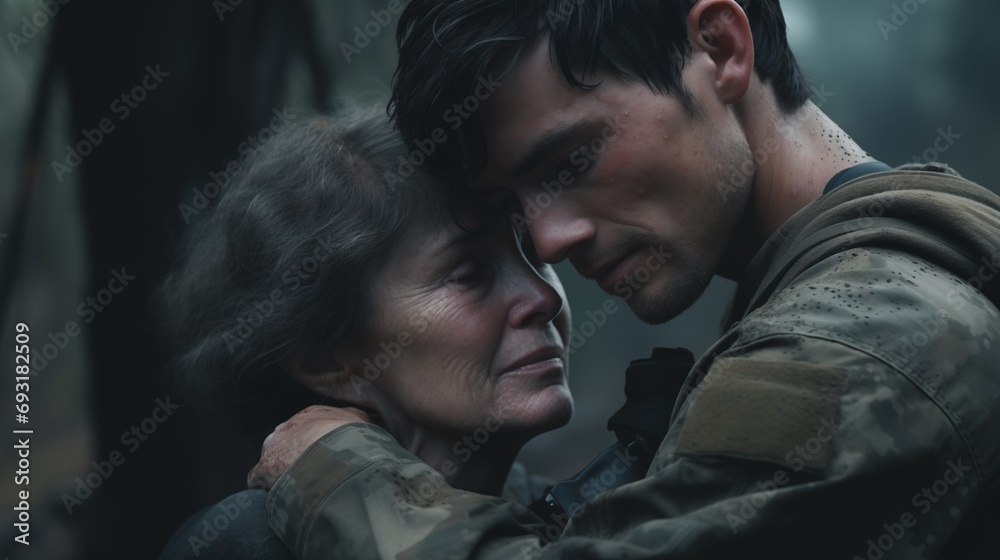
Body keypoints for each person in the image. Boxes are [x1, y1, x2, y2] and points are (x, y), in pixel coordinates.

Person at [248, 1, 1000, 558]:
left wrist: (337, 475)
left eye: (571, 161)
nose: (548, 242)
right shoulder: (884, 275)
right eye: (514, 207)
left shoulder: (868, 335)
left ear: (720, 47)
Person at [155, 107, 577, 559]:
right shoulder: (247, 546)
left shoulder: (589, 521)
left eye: (533, 251)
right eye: (469, 274)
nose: (543, 297)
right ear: (326, 361)